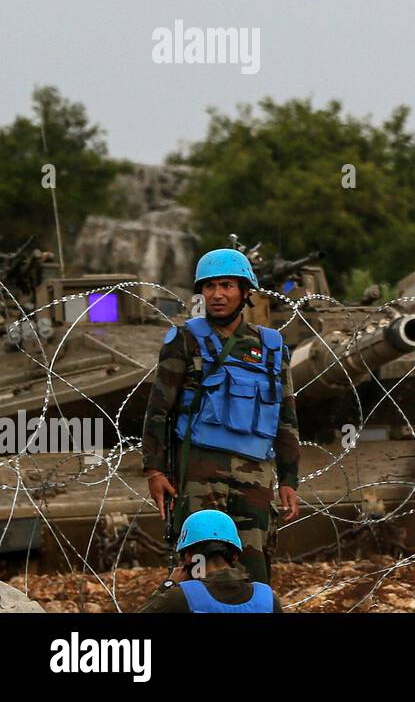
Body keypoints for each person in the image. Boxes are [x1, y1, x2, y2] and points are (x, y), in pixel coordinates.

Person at [141, 247, 301, 585]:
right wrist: (154, 470)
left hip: (256, 476)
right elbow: (158, 409)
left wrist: (289, 480)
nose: (217, 295)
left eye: (227, 285)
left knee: (255, 567)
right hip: (200, 472)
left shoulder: (271, 346)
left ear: (245, 292)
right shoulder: (184, 341)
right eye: (210, 286)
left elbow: (285, 417)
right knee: (199, 566)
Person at [138, 509, 280, 612]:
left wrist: (169, 584)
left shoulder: (180, 598)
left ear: (187, 556)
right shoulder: (267, 599)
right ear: (235, 555)